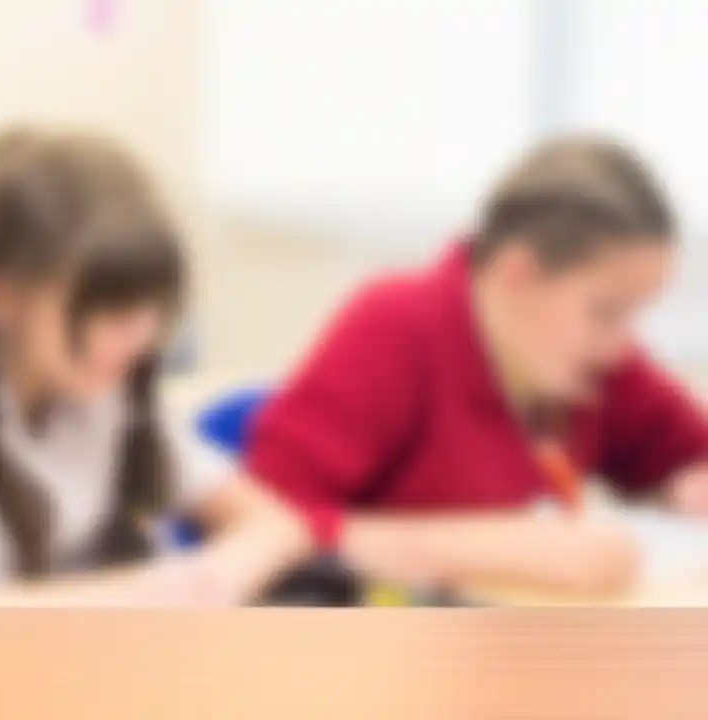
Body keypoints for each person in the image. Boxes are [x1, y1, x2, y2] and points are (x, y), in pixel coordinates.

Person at [246, 136, 708, 596]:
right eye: (607, 311)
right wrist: (484, 546)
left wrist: (684, 485)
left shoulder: (594, 365)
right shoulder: (396, 327)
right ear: (518, 275)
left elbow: (688, 449)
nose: (622, 346)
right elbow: (257, 523)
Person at [0, 132, 305, 605]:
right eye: (109, 310)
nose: (140, 335)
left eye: (148, 307)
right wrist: (135, 596)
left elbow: (278, 525)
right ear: (4, 295)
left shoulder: (108, 400)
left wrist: (208, 578)